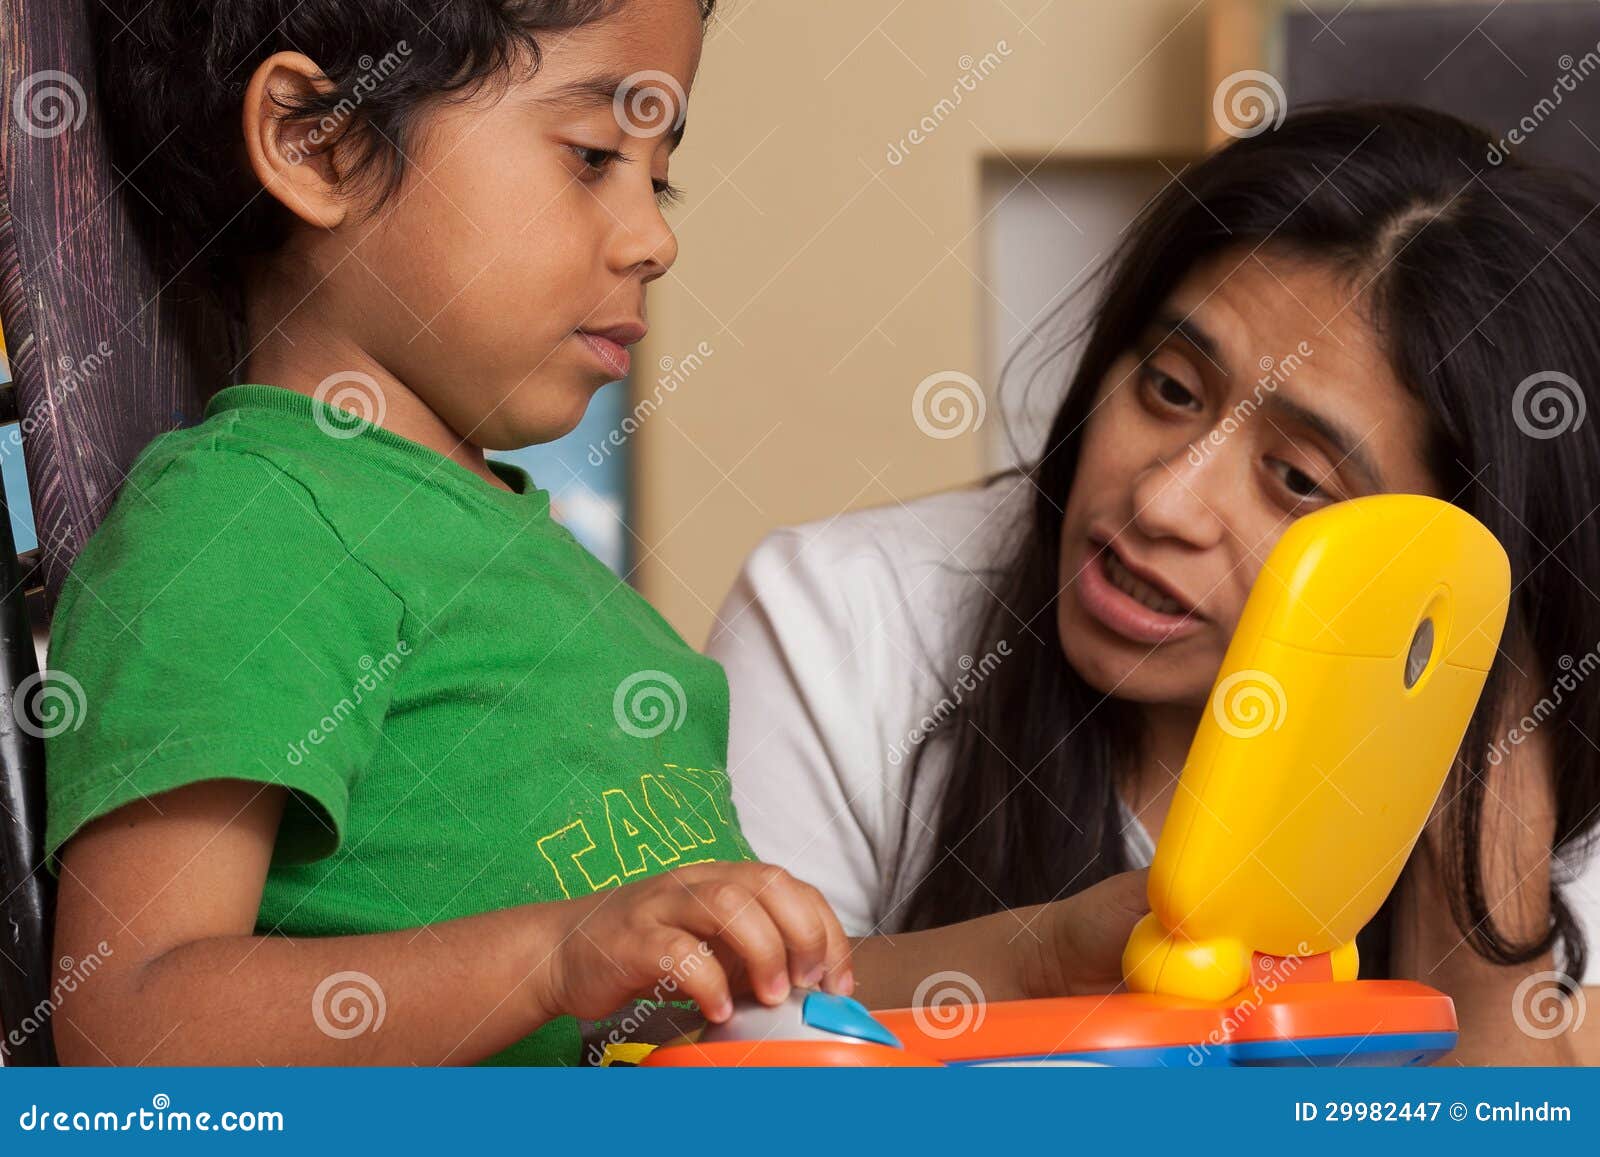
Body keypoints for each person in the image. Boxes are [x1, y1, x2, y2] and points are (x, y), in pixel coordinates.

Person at [41, 0, 1146, 1068]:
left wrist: (1050, 949)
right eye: (590, 155)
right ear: (318, 143)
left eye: (658, 176)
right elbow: (130, 1031)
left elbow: (756, 1008)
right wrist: (557, 955)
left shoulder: (544, 574)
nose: (655, 237)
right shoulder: (244, 521)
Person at [710, 103, 1600, 1064]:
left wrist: (1481, 938)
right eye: (1171, 388)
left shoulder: (1535, 721)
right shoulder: (837, 618)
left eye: (1296, 479)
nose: (1164, 498)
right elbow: (727, 1073)